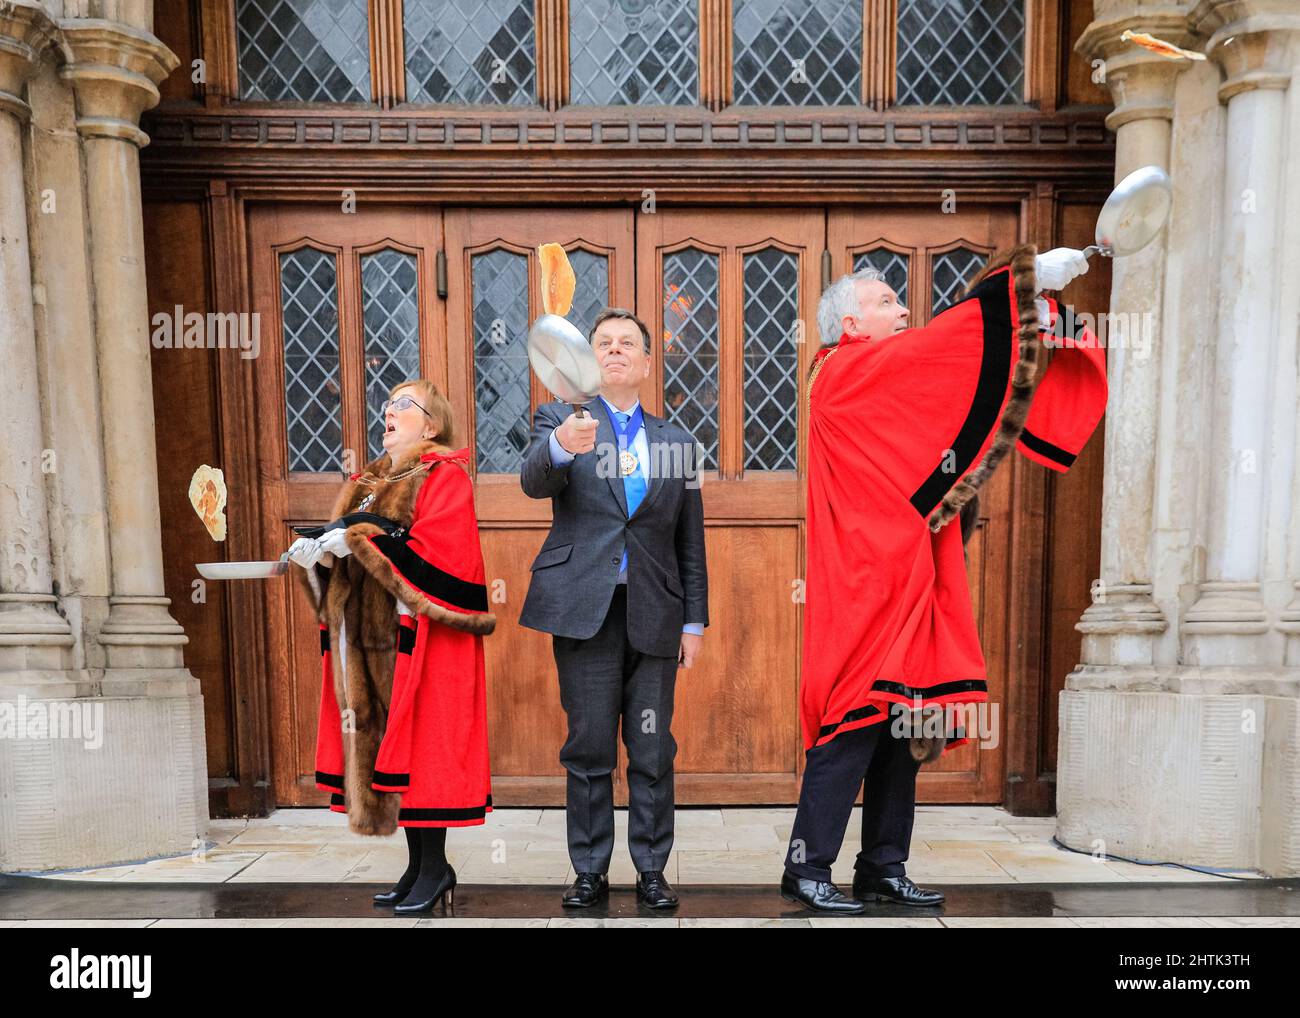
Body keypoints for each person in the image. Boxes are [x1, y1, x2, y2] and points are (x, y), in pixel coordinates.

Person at [781, 246, 1108, 913]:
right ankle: (807, 867)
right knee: (852, 725)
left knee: (905, 725)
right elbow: (941, 354)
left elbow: (933, 414)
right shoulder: (839, 374)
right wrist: (1021, 283)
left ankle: (881, 867)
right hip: (865, 584)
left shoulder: (874, 373)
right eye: (885, 303)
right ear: (848, 325)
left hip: (912, 576)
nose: (903, 310)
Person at [519, 307, 708, 910]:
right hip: (584, 611)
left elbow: (690, 541)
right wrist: (559, 446)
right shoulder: (561, 419)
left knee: (653, 751)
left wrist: (694, 620)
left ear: (648, 364)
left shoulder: (678, 442)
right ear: (586, 359)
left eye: (629, 344)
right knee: (589, 746)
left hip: (655, 614)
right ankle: (589, 870)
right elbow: (532, 481)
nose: (616, 350)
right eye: (604, 343)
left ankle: (652, 869)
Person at [287, 379, 495, 915]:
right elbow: (359, 550)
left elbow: (444, 558)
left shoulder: (444, 476)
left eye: (404, 405)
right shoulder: (366, 483)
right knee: (385, 754)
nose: (389, 411)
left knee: (423, 754)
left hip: (423, 641)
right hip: (369, 641)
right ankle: (418, 867)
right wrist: (322, 554)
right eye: (387, 404)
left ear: (431, 426)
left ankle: (435, 869)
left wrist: (360, 538)